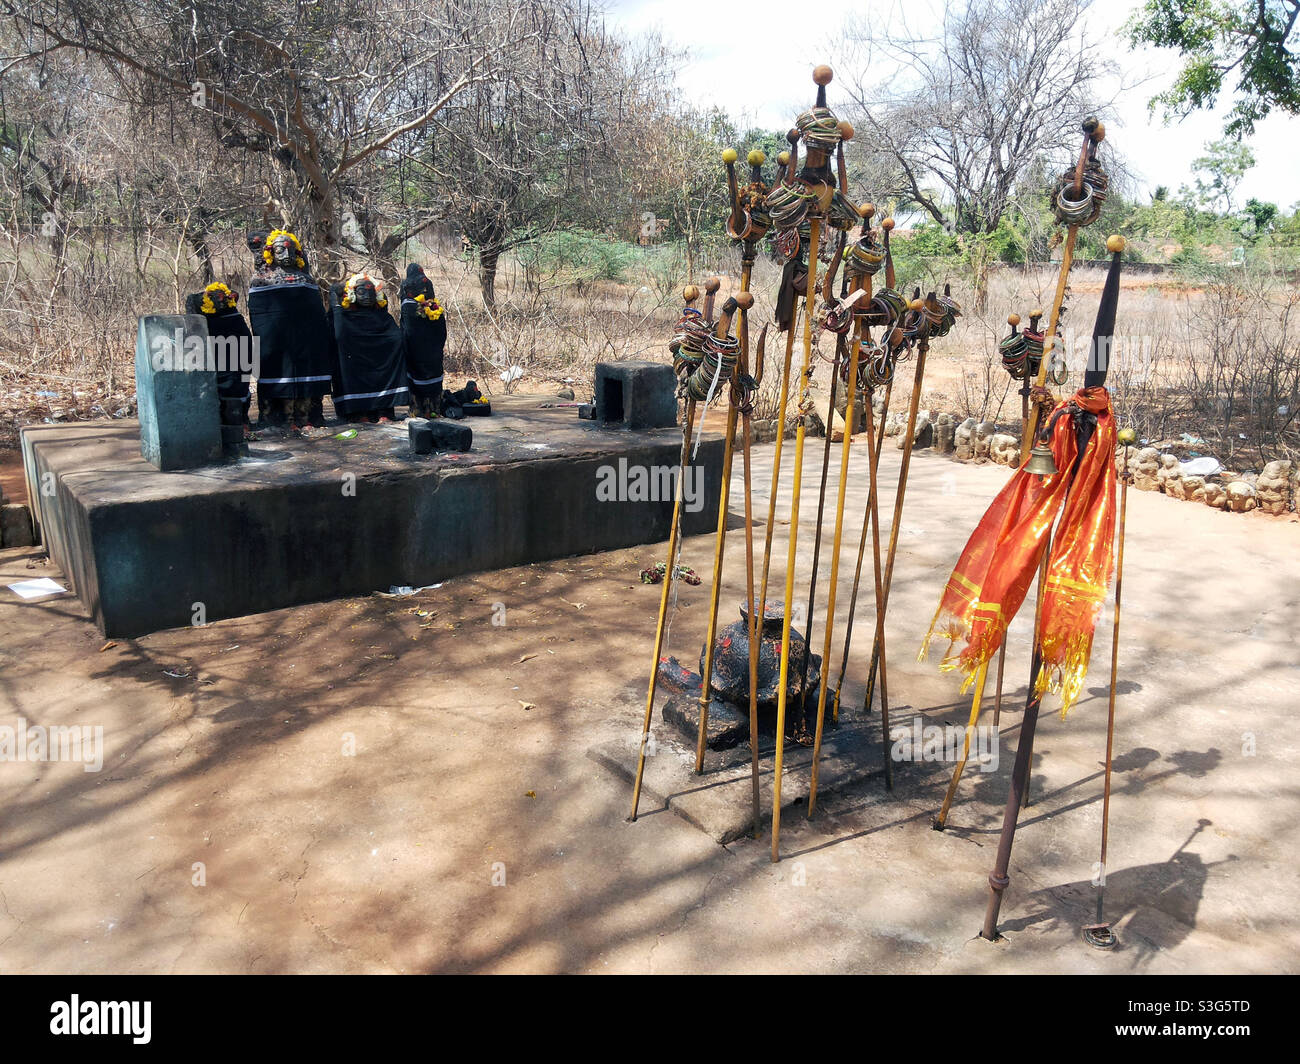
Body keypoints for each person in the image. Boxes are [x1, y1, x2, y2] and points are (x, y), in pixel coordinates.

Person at [247, 229, 332, 434]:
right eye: (280, 250)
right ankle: (280, 419)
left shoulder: (306, 279)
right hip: (276, 341)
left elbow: (316, 313)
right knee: (277, 370)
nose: (286, 255)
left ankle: (308, 417)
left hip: (305, 339)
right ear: (270, 253)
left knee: (307, 371)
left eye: (290, 250)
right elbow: (260, 315)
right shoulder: (261, 279)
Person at [328, 272, 409, 422]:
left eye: (371, 293)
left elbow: (395, 336)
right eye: (362, 292)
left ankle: (383, 410)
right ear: (352, 294)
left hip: (379, 361)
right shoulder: (345, 315)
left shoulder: (381, 315)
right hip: (355, 360)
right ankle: (360, 413)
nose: (367, 296)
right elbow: (340, 336)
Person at [184, 281, 253, 446]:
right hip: (228, 354)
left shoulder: (225, 318)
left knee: (235, 382)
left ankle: (239, 424)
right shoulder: (221, 318)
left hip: (234, 354)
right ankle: (237, 424)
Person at [398, 264, 447, 419]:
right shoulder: (432, 299)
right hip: (433, 347)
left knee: (416, 375)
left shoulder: (407, 295)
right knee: (433, 375)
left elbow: (408, 330)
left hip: (417, 348)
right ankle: (434, 409)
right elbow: (442, 330)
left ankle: (418, 410)